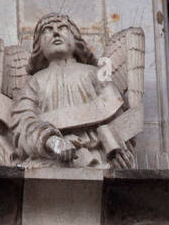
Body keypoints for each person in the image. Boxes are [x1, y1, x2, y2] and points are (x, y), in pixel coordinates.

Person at [9, 14, 132, 167]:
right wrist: (50, 141)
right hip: (48, 160)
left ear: (75, 40)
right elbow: (22, 123)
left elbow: (116, 115)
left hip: (95, 158)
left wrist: (115, 148)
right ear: (38, 45)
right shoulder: (33, 82)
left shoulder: (95, 74)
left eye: (62, 28)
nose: (55, 33)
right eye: (47, 30)